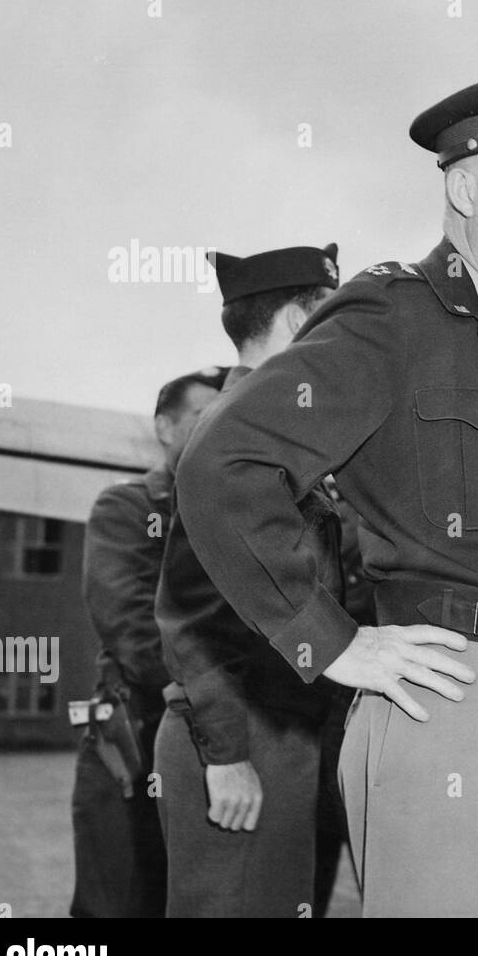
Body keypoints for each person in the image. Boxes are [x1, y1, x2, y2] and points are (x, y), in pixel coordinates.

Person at [173, 68, 478, 917]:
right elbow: (223, 465)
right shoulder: (390, 317)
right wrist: (332, 645)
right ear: (461, 185)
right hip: (452, 698)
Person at [154, 244, 341, 918]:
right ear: (296, 321)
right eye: (335, 317)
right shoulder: (240, 432)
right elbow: (192, 610)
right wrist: (227, 753)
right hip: (240, 735)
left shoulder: (283, 427)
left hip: (283, 731)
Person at [69, 366, 225, 918]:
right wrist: (221, 701)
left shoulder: (233, 514)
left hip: (209, 743)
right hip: (133, 742)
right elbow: (134, 634)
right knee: (117, 902)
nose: (219, 426)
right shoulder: (128, 509)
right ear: (163, 426)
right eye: (203, 416)